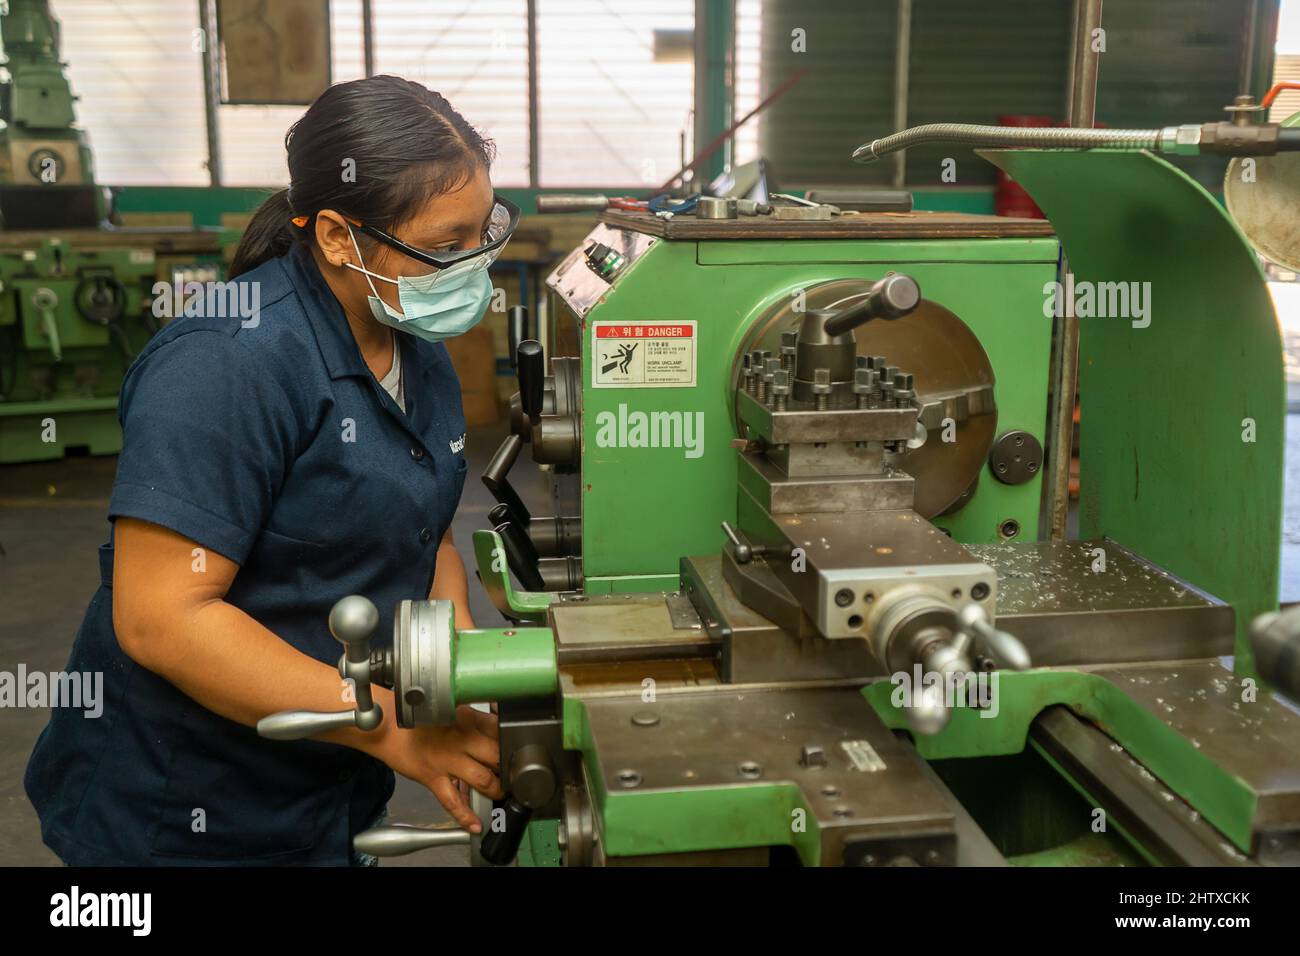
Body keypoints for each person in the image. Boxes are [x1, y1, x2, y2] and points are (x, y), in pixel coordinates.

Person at [24, 75, 517, 865]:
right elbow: (163, 617)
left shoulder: (411, 343)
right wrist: (390, 725)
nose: (472, 267)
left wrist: (452, 676)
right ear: (334, 235)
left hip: (328, 782)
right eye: (445, 246)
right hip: (187, 807)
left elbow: (426, 538)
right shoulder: (228, 363)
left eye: (483, 233)